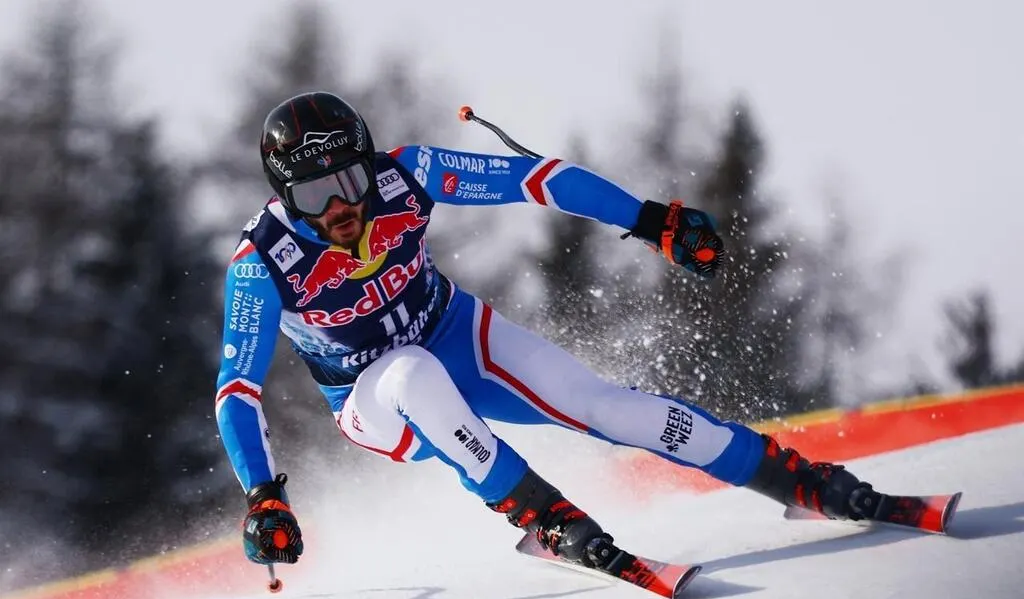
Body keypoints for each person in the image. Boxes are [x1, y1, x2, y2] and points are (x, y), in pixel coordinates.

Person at [216, 91, 883, 571]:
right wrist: (263, 496)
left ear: (370, 163)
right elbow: (236, 390)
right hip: (374, 399)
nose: (340, 206)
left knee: (606, 406)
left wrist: (651, 220)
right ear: (284, 194)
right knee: (413, 372)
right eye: (315, 195)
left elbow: (535, 180)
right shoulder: (262, 262)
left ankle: (791, 479)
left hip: (454, 331)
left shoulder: (406, 175)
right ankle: (544, 517)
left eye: (351, 179)